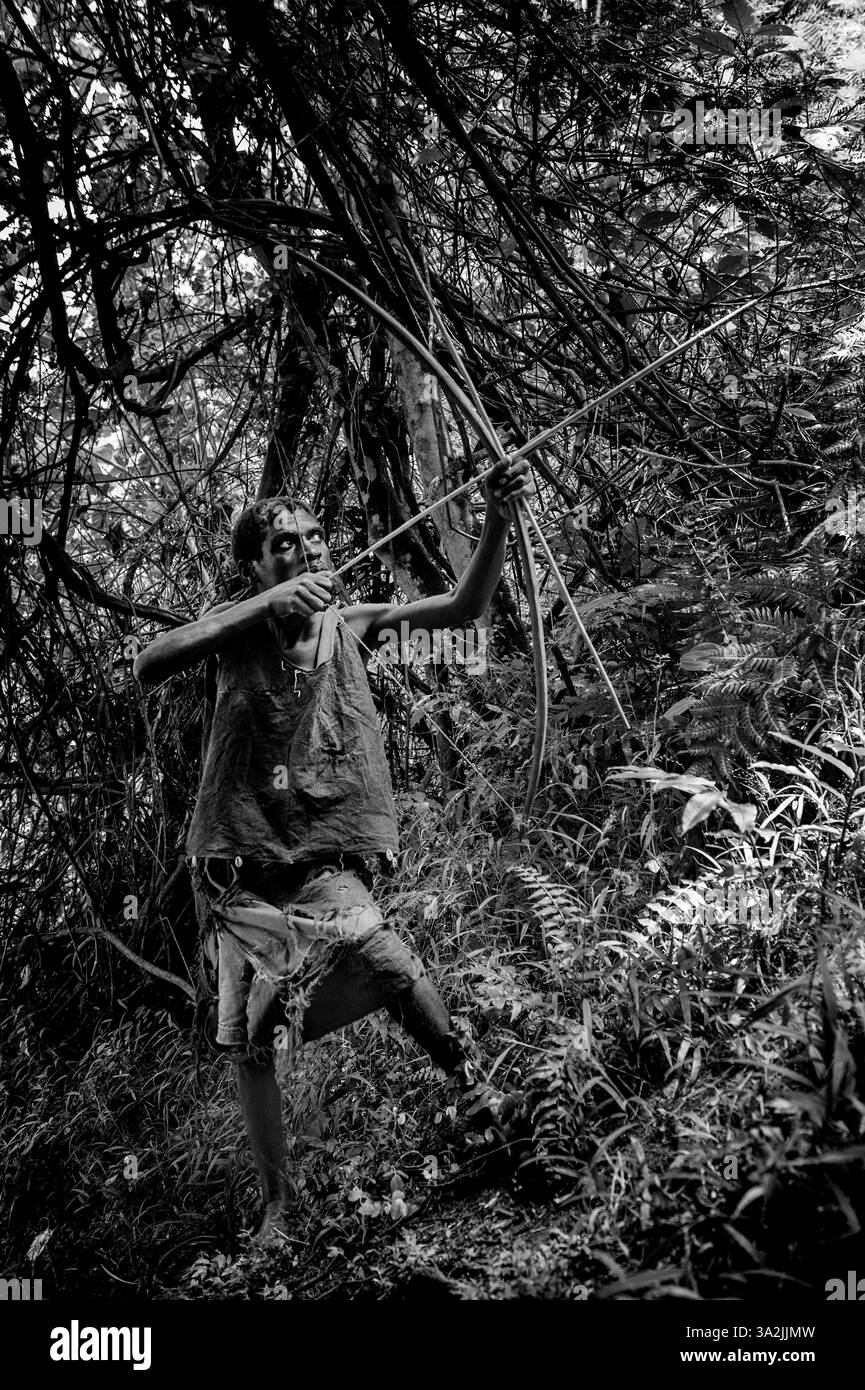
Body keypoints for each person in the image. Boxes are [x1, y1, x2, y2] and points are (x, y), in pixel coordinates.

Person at [133, 455, 534, 1238]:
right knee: (249, 1043)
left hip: (321, 862)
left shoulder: (351, 627)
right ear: (253, 565)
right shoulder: (233, 631)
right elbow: (150, 662)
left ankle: (483, 1093)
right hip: (236, 869)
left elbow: (462, 606)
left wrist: (496, 519)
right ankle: (277, 1206)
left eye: (314, 539)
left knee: (378, 951)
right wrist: (265, 605)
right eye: (283, 545)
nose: (309, 553)